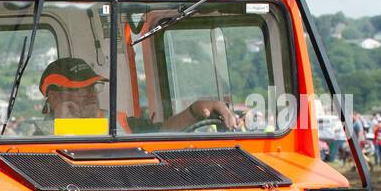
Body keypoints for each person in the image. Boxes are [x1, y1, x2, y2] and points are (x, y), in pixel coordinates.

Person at [37, 57, 235, 133]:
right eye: (79, 88)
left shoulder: (119, 122)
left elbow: (164, 132)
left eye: (93, 87)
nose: (91, 95)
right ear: (54, 98)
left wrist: (195, 110)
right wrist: (63, 126)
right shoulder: (36, 139)